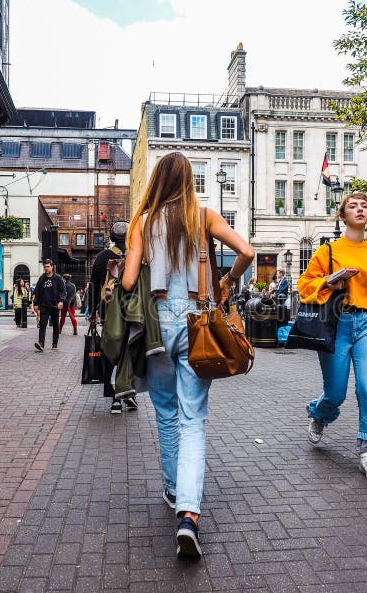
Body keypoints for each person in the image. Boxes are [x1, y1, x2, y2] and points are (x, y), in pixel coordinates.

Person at [122, 152, 254, 559]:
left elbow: (128, 281)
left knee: (165, 413)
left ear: (157, 181)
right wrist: (229, 278)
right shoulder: (204, 215)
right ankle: (188, 515)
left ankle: (174, 488)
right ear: (188, 181)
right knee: (193, 419)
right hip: (198, 324)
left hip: (158, 327)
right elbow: (246, 252)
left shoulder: (142, 222)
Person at [299, 191, 367, 480]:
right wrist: (330, 281)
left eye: (364, 206)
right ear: (343, 215)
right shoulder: (328, 251)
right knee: (336, 393)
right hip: (336, 323)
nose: (360, 209)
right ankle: (319, 413)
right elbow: (304, 285)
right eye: (353, 206)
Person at [89, 221, 134, 414]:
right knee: (129, 350)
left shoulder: (101, 258)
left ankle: (115, 399)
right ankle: (129, 393)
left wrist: (91, 311)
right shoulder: (135, 255)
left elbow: (92, 286)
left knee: (110, 352)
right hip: (133, 308)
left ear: (111, 237)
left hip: (108, 311)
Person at [32, 259, 66, 352]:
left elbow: (63, 291)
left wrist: (61, 301)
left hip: (54, 306)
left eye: (48, 266)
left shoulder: (58, 278)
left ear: (52, 266)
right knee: (42, 325)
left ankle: (54, 343)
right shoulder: (42, 278)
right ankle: (41, 343)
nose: (46, 269)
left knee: (56, 325)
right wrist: (35, 303)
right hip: (44, 305)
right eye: (45, 267)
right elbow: (37, 292)